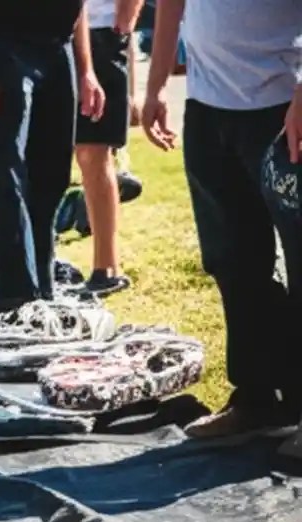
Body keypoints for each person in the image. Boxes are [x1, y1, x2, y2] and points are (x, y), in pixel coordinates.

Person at [141, 0, 302, 438]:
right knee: (233, 260)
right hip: (209, 111)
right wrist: (155, 86)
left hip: (283, 107)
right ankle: (257, 399)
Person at [0, 0, 105, 310]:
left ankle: (43, 286)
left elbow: (77, 8)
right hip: (2, 45)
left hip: (57, 47)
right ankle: (16, 291)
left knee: (53, 174)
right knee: (8, 172)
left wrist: (86, 71)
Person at [75, 0, 144, 296]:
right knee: (42, 154)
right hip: (49, 31)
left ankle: (106, 267)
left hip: (101, 31)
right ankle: (37, 264)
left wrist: (124, 22)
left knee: (93, 152)